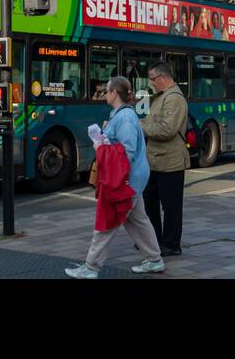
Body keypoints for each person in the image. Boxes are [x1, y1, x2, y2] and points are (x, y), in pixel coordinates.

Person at [65, 76, 165, 278]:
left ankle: (91, 267)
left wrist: (101, 146)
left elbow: (126, 151)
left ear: (114, 93)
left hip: (125, 180)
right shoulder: (122, 115)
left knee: (108, 222)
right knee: (138, 220)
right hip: (132, 179)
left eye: (106, 90)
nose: (104, 94)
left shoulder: (124, 117)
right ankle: (155, 259)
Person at [141, 61, 189, 257]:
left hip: (170, 162)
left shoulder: (174, 98)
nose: (151, 83)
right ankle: (154, 241)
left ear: (162, 78)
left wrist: (140, 126)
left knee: (171, 207)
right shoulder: (161, 97)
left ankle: (171, 244)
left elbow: (167, 130)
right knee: (150, 202)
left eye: (153, 79)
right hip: (155, 160)